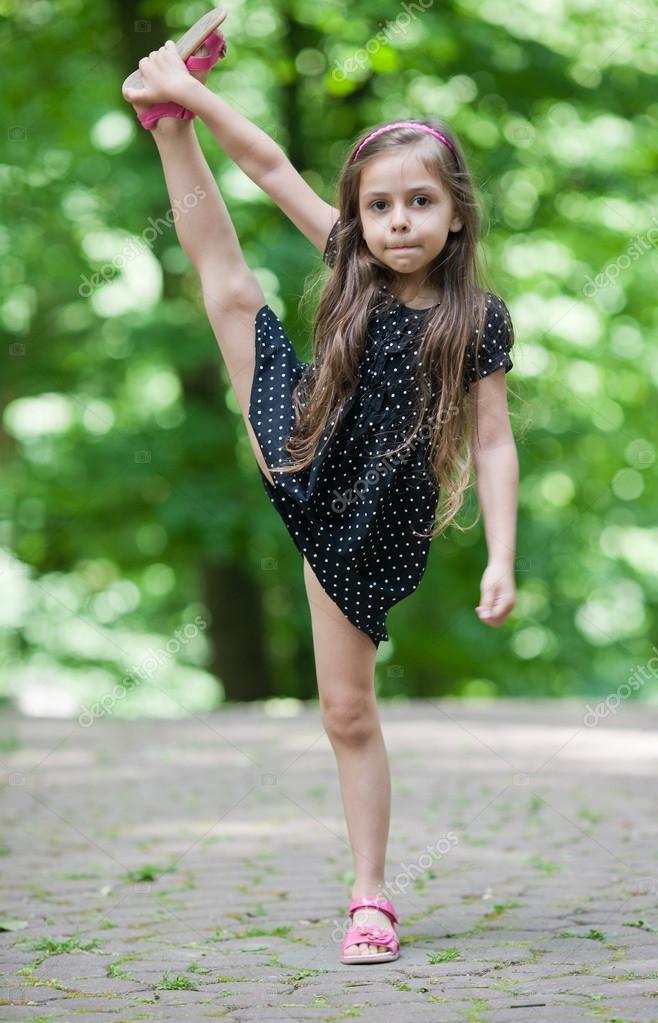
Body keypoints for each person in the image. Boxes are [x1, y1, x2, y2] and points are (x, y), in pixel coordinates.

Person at [122, 32, 519, 965]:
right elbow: (267, 165)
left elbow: (494, 440)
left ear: (456, 217)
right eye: (379, 205)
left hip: (373, 522)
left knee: (346, 710)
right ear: (359, 216)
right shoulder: (352, 265)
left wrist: (503, 556)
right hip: (300, 445)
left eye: (420, 202)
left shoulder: (477, 319)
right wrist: (199, 97)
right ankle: (170, 123)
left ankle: (370, 891)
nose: (398, 222)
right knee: (231, 294)